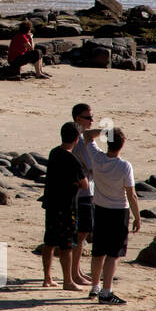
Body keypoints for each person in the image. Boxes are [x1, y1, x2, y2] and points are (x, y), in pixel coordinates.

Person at [81, 123, 141, 305]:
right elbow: (131, 194)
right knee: (113, 254)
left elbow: (86, 135)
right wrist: (137, 217)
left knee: (98, 251)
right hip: (118, 211)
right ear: (121, 145)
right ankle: (106, 291)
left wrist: (104, 131)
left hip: (99, 208)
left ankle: (94, 287)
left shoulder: (97, 158)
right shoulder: (124, 166)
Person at [41, 122, 89, 289]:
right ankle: (68, 281)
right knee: (67, 245)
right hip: (67, 207)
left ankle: (47, 278)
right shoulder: (72, 159)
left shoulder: (54, 153)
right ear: (76, 139)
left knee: (49, 242)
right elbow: (84, 184)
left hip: (52, 204)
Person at [69, 103, 97, 286]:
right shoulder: (79, 141)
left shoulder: (80, 139)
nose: (91, 121)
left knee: (81, 234)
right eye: (88, 118)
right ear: (78, 119)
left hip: (86, 191)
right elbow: (92, 166)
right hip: (83, 193)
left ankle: (77, 270)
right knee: (81, 234)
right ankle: (74, 273)